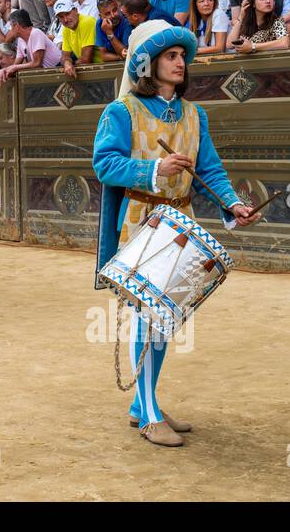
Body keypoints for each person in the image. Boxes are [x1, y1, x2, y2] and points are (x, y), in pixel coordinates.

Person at [92, 22, 257, 447]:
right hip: (140, 223)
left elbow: (210, 170)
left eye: (183, 56)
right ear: (148, 64)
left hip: (180, 224)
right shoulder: (121, 110)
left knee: (165, 318)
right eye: (170, 56)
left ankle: (141, 405)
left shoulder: (195, 114)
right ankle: (148, 412)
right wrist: (152, 170)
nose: (181, 62)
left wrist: (232, 204)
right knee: (150, 318)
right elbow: (104, 164)